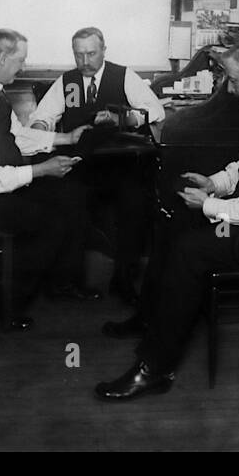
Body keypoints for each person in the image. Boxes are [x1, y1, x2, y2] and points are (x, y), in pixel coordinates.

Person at [95, 39, 239, 401]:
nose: (229, 89)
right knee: (171, 225)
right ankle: (149, 318)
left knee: (189, 248)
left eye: (233, 80)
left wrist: (209, 206)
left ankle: (156, 367)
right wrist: (214, 183)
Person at [0, 29, 101, 331]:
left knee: (73, 195)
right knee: (47, 221)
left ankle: (62, 283)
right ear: (1, 57)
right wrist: (41, 170)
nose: (22, 67)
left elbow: (16, 138)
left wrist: (65, 138)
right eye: (19, 60)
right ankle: (2, 303)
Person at [30, 27, 166, 303]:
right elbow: (42, 116)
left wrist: (125, 119)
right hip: (81, 163)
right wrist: (41, 126)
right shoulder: (67, 81)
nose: (85, 61)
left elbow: (156, 110)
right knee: (69, 202)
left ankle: (124, 279)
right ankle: (65, 281)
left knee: (135, 201)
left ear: (104, 50)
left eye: (91, 53)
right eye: (79, 55)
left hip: (119, 163)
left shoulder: (123, 75)